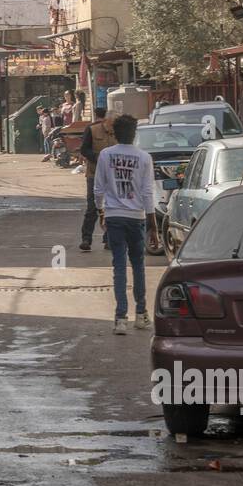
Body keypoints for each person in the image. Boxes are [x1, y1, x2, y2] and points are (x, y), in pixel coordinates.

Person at [94, 115, 154, 335]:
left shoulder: (105, 155)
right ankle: (141, 315)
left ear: (115, 134)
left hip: (114, 216)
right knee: (138, 265)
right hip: (136, 217)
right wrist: (152, 223)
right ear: (134, 133)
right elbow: (148, 192)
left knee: (118, 266)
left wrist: (101, 211)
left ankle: (120, 319)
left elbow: (98, 188)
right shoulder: (144, 157)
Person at [79, 107, 116, 252]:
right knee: (92, 207)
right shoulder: (92, 130)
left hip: (113, 176)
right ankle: (86, 239)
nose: (112, 128)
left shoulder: (119, 133)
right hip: (94, 175)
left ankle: (108, 239)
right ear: (106, 120)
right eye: (111, 124)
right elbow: (84, 149)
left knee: (112, 207)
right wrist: (96, 157)